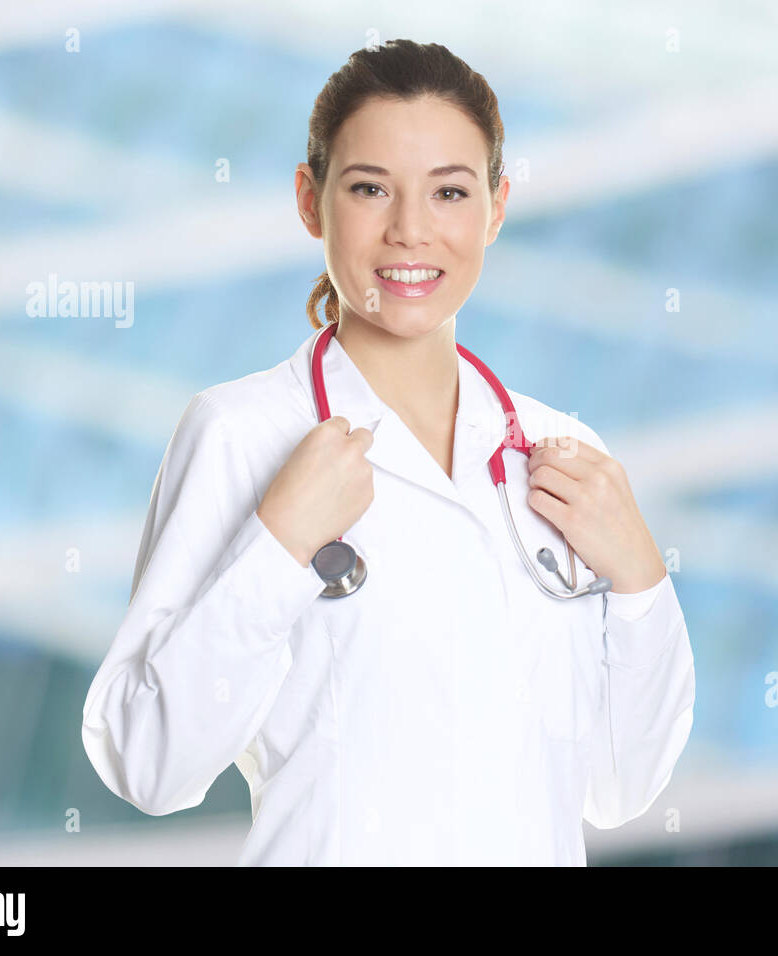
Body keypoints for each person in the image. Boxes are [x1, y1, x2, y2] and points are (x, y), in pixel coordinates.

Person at [81, 38, 695, 866]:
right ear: (311, 201)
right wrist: (277, 545)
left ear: (497, 206)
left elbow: (621, 786)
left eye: (449, 192)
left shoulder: (564, 455)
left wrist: (641, 580)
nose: (411, 231)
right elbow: (146, 762)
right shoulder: (241, 432)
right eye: (371, 188)